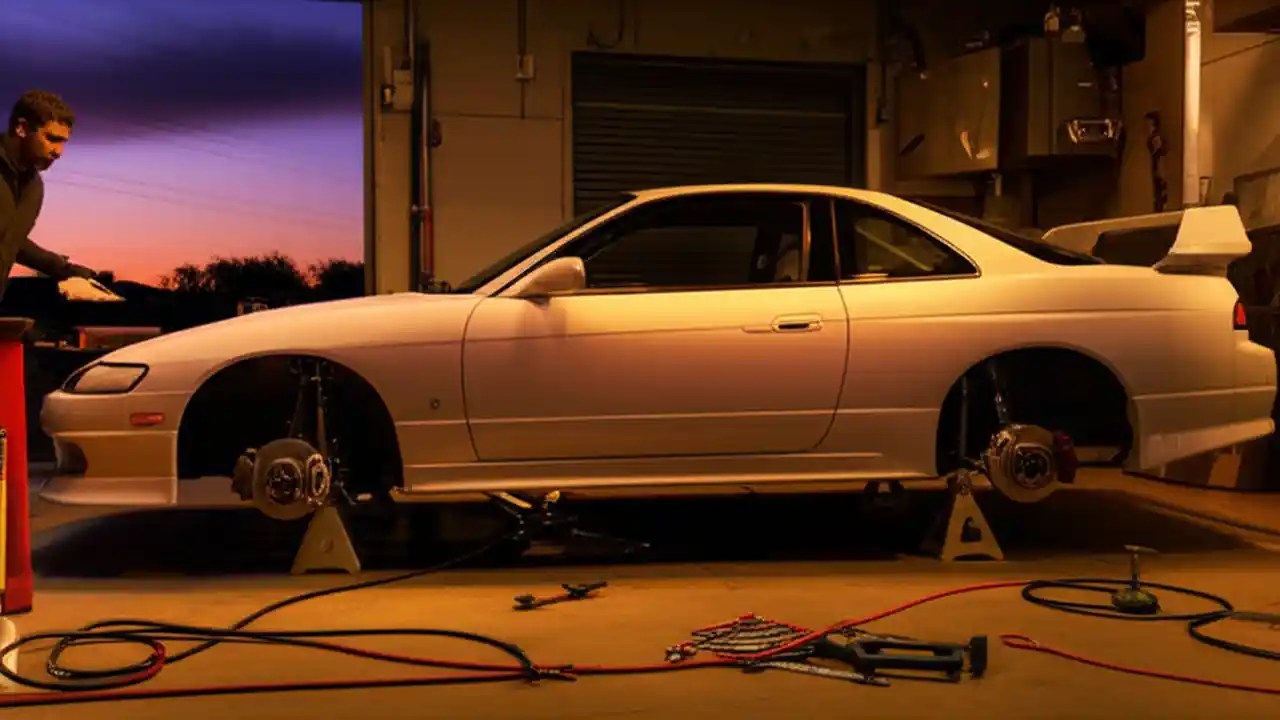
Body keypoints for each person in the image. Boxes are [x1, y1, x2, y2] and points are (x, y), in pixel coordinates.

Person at [1, 90, 97, 303]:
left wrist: (63, 270)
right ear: (21, 128)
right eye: (52, 139)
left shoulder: (33, 188)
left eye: (63, 142)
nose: (58, 152)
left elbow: (11, 241)